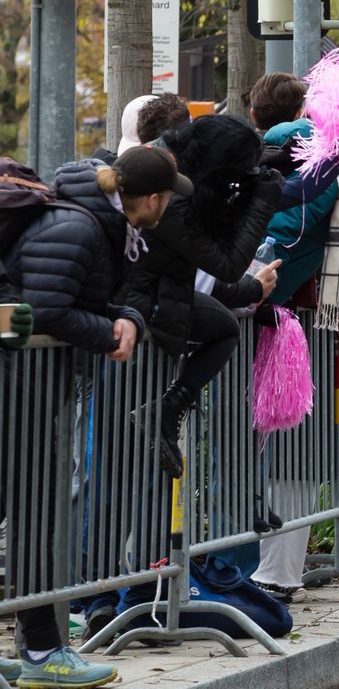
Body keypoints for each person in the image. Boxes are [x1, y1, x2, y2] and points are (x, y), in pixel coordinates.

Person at [0, 151, 184, 688]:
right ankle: (41, 653)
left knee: (28, 512)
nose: (168, 207)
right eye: (168, 198)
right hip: (20, 386)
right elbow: (46, 310)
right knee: (34, 515)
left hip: (26, 384)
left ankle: (39, 649)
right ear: (151, 199)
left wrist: (123, 316)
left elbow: (93, 296)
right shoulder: (80, 229)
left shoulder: (93, 224)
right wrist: (108, 335)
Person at [119, 124, 284, 479]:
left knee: (224, 327)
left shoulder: (177, 169)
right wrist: (262, 200)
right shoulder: (168, 198)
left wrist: (252, 181)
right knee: (119, 479)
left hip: (153, 298)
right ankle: (167, 408)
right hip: (134, 311)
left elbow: (208, 249)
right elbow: (225, 265)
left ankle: (169, 406)